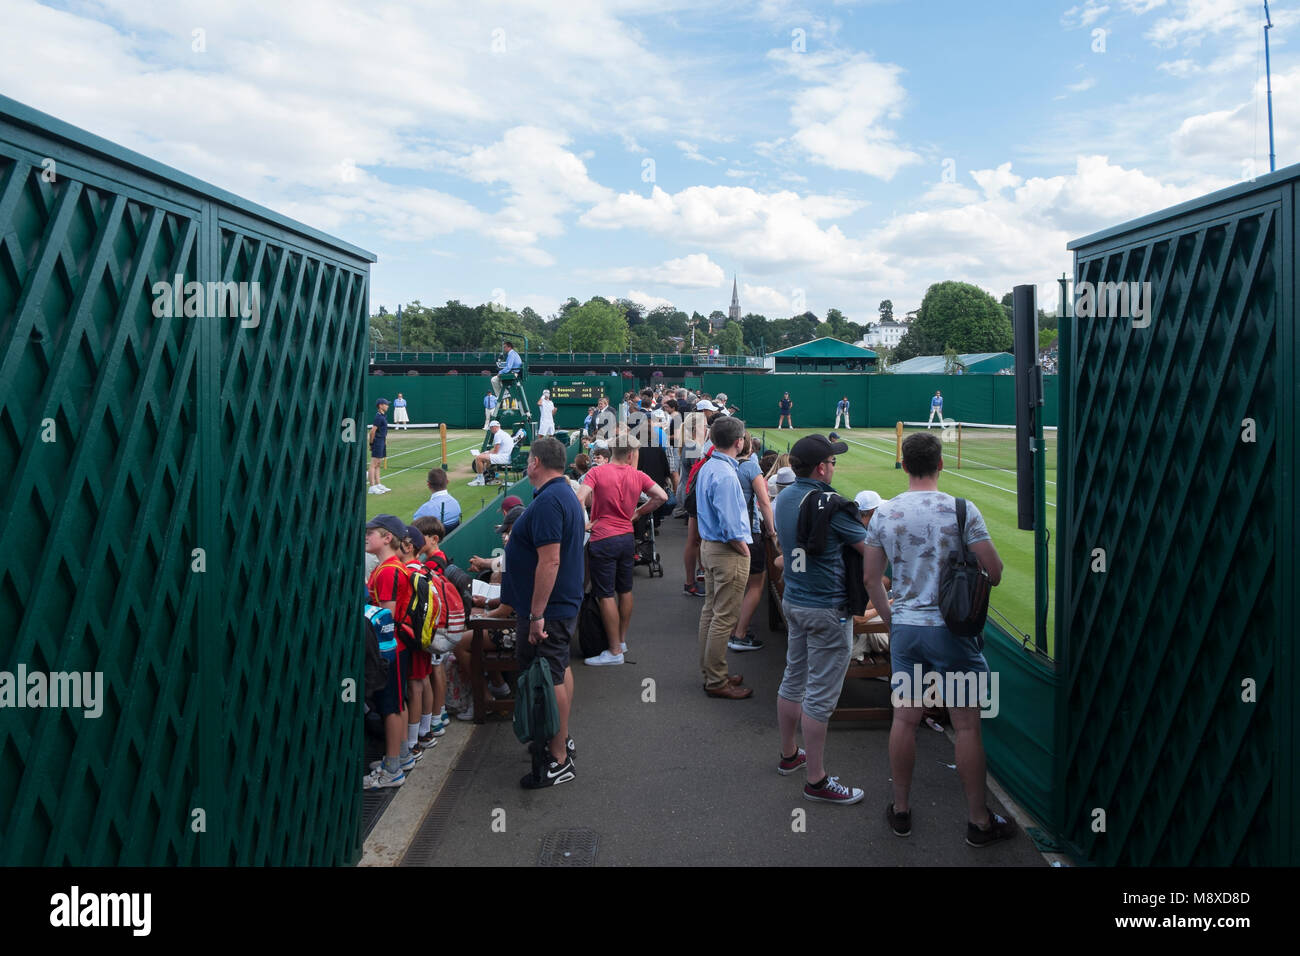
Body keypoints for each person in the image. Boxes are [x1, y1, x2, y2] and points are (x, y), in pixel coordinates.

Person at [863, 431, 1015, 846]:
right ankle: (978, 822)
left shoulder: (885, 513)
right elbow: (995, 572)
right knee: (966, 726)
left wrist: (894, 619)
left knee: (905, 720)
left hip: (908, 630)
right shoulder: (963, 510)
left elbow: (871, 579)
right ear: (940, 464)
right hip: (953, 631)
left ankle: (901, 811)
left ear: (904, 465)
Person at [773, 434, 866, 805]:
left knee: (793, 678)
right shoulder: (833, 504)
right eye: (832, 462)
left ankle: (788, 754)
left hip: (794, 600)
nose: (834, 467)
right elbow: (871, 547)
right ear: (820, 467)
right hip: (826, 608)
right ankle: (816, 781)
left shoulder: (783, 496)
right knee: (820, 697)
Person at [504, 436, 586, 789]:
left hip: (549, 610)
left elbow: (550, 560)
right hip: (556, 606)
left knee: (551, 675)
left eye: (528, 460)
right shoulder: (558, 494)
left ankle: (558, 759)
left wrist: (536, 616)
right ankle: (560, 741)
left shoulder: (552, 500)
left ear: (536, 462)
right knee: (558, 669)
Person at [582, 434, 668, 665]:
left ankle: (614, 651)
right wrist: (639, 513)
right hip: (625, 538)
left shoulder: (597, 472)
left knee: (605, 594)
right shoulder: (637, 474)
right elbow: (662, 497)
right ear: (630, 455)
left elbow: (578, 497)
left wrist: (584, 523)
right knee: (624, 590)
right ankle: (620, 642)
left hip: (603, 538)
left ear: (612, 452)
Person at [694, 416, 754, 699]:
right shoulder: (726, 474)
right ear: (738, 442)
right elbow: (730, 524)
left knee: (711, 612)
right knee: (723, 617)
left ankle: (713, 673)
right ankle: (716, 680)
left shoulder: (711, 465)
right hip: (726, 550)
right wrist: (743, 549)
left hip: (711, 546)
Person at [363, 514, 423, 789]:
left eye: (371, 532)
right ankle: (401, 756)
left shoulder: (388, 570)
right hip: (397, 647)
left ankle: (392, 768)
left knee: (391, 707)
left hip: (390, 649)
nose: (366, 537)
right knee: (396, 704)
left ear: (387, 537)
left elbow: (384, 617)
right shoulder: (390, 566)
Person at [729, 433, 775, 653]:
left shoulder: (725, 465)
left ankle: (733, 630)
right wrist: (773, 530)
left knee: (738, 584)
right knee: (756, 584)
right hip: (749, 533)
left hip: (728, 534)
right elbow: (764, 502)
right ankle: (739, 634)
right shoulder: (750, 468)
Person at [413, 467, 461, 533]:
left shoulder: (424, 510)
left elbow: (414, 531)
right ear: (447, 482)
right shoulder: (456, 503)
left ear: (428, 485)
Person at [471, 420, 514, 485]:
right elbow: (496, 449)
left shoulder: (498, 435)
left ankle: (480, 480)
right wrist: (487, 452)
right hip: (506, 455)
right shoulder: (503, 433)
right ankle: (488, 476)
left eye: (490, 428)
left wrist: (485, 454)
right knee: (485, 458)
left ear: (494, 427)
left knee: (478, 458)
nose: (490, 430)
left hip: (503, 457)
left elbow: (495, 451)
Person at [367, 398, 391, 495]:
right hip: (377, 442)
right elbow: (372, 431)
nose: (387, 406)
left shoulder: (383, 416)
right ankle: (372, 487)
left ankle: (378, 484)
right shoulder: (378, 417)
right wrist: (371, 443)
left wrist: (384, 441)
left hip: (382, 441)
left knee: (378, 464)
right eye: (386, 404)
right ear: (380, 405)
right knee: (373, 464)